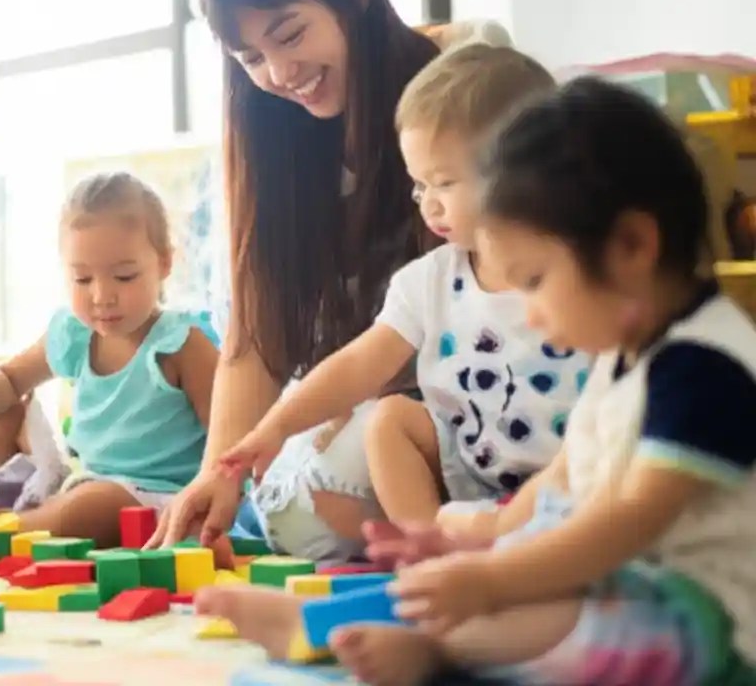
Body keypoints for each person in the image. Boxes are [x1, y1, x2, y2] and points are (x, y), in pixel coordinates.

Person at [201, 78, 756, 685]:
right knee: (522, 558)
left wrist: (492, 577)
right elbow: (566, 479)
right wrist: (482, 536)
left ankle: (435, 652)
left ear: (632, 246)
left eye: (537, 282)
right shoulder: (627, 354)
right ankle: (326, 627)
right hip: (625, 576)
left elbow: (627, 522)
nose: (533, 315)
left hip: (712, 620)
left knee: (560, 600)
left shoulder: (706, 367)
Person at [148, 0, 511, 561]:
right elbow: (257, 335)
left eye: (290, 35)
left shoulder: (466, 74)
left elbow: (512, 270)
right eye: (251, 58)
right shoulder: (271, 138)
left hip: (476, 381)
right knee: (301, 512)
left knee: (360, 469)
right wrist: (221, 471)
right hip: (366, 394)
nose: (280, 75)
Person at [219, 44, 587, 528]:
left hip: (579, 478)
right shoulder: (429, 280)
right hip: (475, 479)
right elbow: (357, 366)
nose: (428, 206)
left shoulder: (584, 268)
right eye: (419, 186)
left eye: (444, 183)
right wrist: (276, 428)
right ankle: (430, 549)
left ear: (525, 172)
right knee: (390, 419)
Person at [0, 172, 219, 547]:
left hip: (157, 501)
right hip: (77, 484)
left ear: (165, 264)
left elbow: (227, 434)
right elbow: (9, 377)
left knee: (98, 503)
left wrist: (215, 502)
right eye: (82, 279)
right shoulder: (73, 332)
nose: (102, 296)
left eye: (124, 277)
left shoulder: (181, 344)